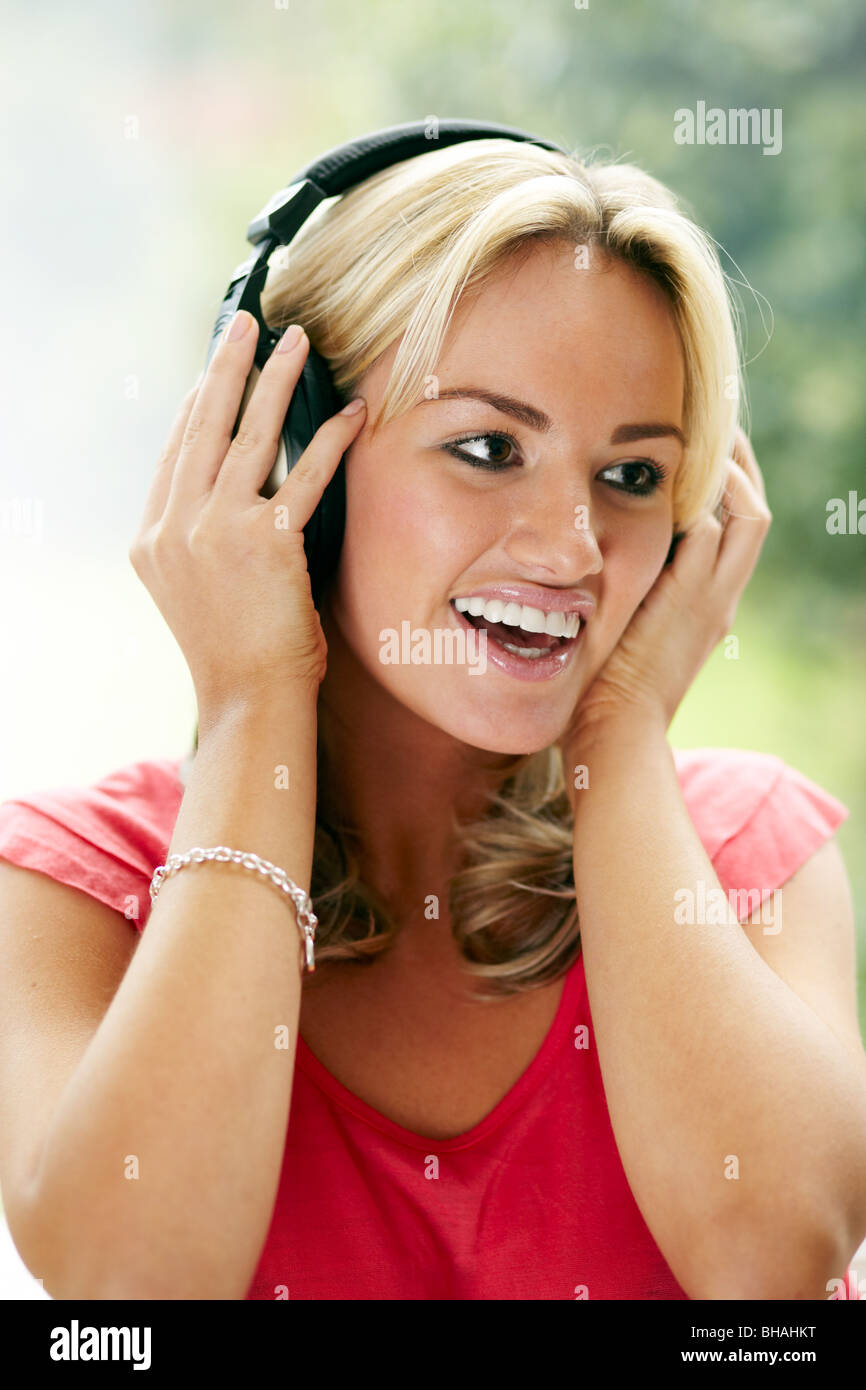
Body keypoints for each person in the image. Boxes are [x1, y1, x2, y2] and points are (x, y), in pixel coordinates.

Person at [0, 136, 864, 1302]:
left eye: (630, 477)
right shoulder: (77, 885)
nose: (570, 550)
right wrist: (255, 693)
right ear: (294, 455)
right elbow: (133, 1290)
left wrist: (617, 731)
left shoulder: (744, 849)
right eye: (485, 448)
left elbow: (772, 1274)